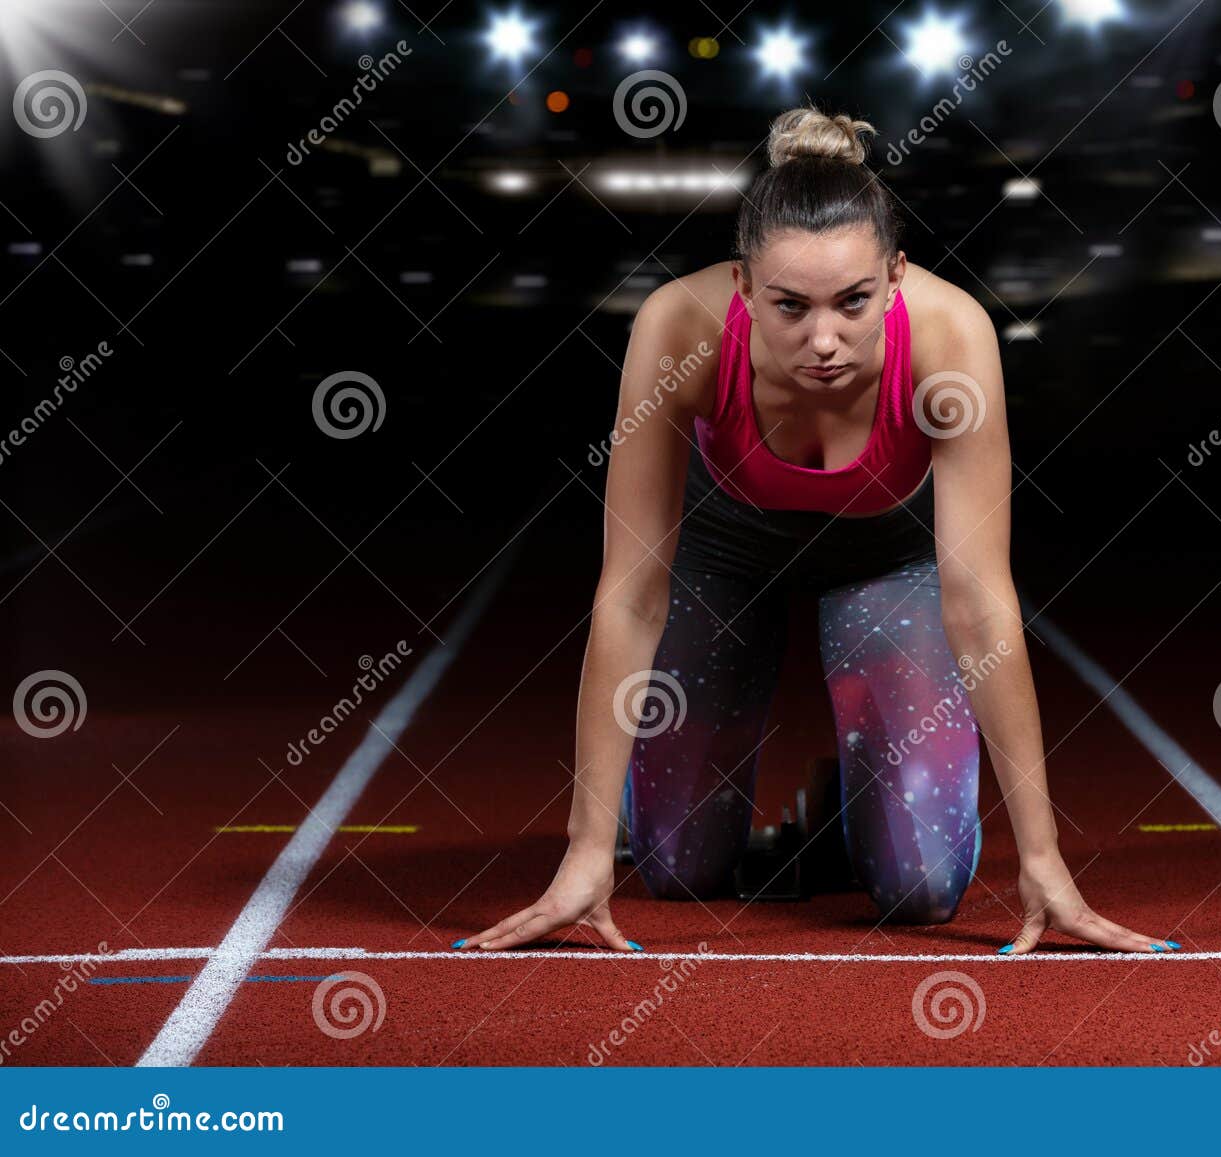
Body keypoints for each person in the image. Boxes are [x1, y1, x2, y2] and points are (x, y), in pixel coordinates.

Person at [456, 104, 1181, 958]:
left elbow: (981, 601)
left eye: (854, 302)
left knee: (921, 888)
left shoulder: (951, 339)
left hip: (887, 552)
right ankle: (706, 822)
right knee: (678, 868)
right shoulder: (677, 328)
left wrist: (1044, 856)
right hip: (724, 550)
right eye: (790, 306)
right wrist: (584, 849)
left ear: (898, 276)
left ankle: (854, 803)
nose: (824, 341)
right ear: (741, 285)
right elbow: (631, 595)